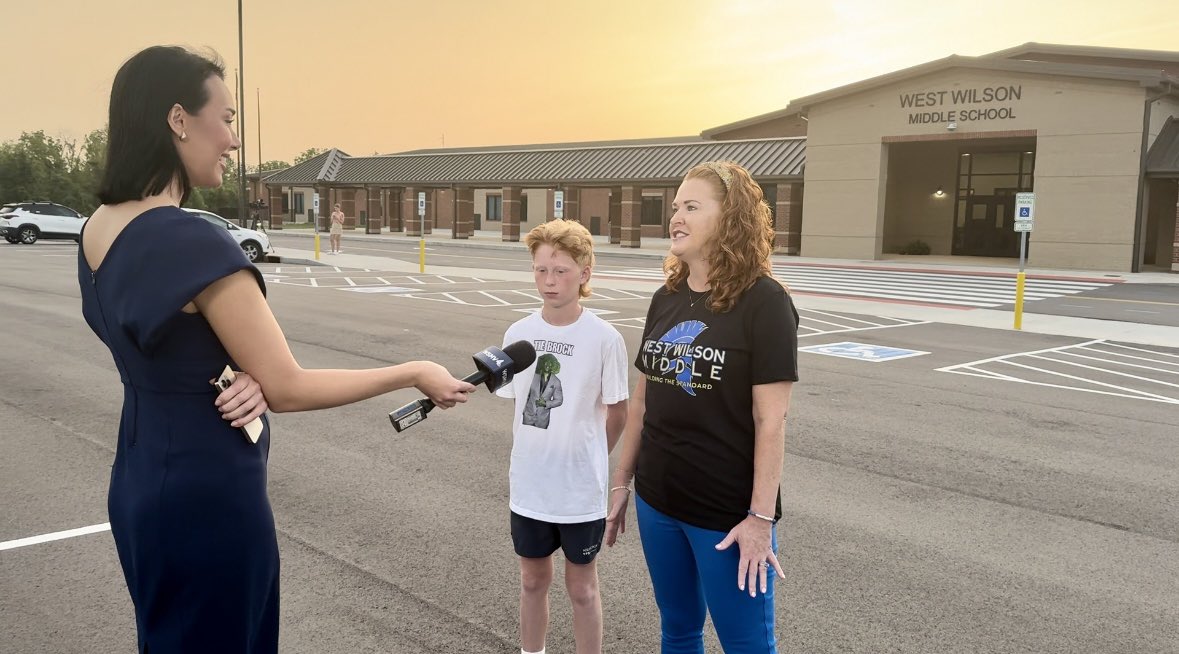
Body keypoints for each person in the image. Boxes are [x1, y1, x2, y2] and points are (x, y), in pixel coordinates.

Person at [78, 45, 475, 654]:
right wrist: (413, 370)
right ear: (178, 119)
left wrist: (224, 371)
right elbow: (288, 387)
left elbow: (154, 341)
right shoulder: (192, 241)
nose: (234, 140)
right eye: (228, 118)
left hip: (139, 479)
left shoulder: (97, 228)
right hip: (208, 489)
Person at [604, 161, 799, 654]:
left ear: (730, 218)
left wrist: (759, 520)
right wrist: (622, 482)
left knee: (748, 645)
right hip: (658, 501)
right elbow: (644, 401)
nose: (677, 217)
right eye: (675, 208)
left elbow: (770, 421)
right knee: (679, 630)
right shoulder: (665, 298)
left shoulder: (764, 302)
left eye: (692, 207)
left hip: (726, 517)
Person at [496, 220, 630, 654]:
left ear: (585, 274)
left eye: (561, 271)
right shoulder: (518, 334)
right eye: (541, 271)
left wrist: (589, 453)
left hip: (579, 491)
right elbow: (515, 400)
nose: (549, 282)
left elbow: (618, 412)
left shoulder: (605, 339)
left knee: (582, 589)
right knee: (532, 580)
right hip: (531, 485)